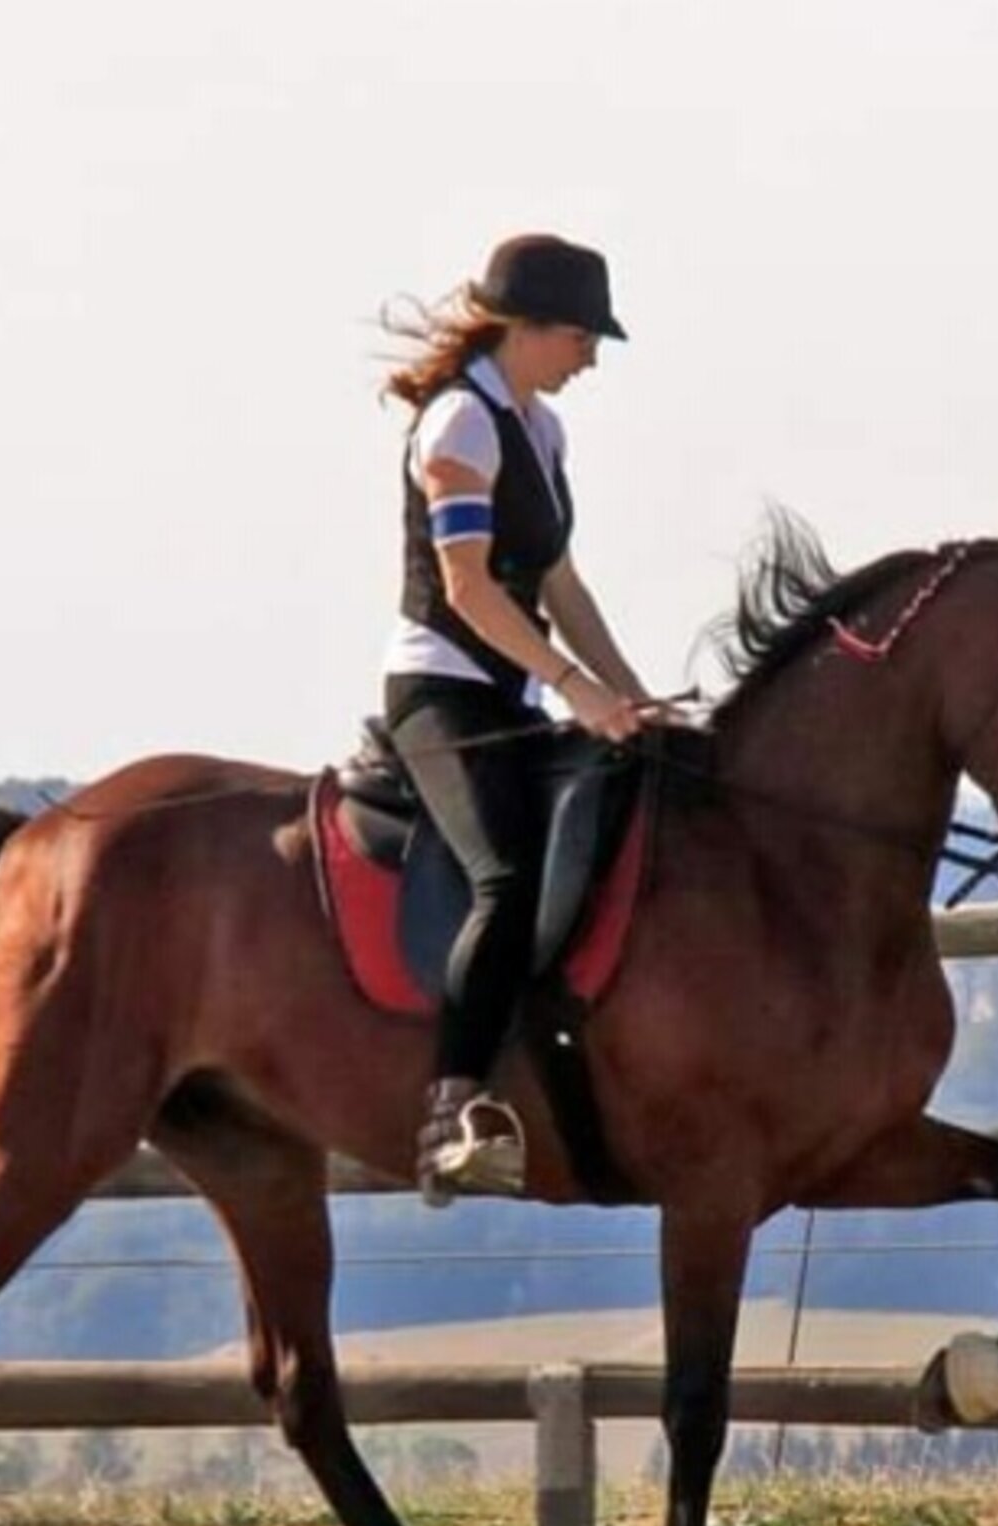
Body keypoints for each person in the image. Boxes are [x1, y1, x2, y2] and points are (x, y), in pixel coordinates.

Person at [380, 233, 657, 1205]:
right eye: (582, 337)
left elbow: (555, 581)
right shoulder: (456, 424)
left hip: (514, 693)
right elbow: (467, 589)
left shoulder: (538, 429)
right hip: (442, 692)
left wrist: (628, 692)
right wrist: (573, 687)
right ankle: (452, 1110)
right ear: (527, 329)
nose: (589, 357)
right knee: (504, 877)